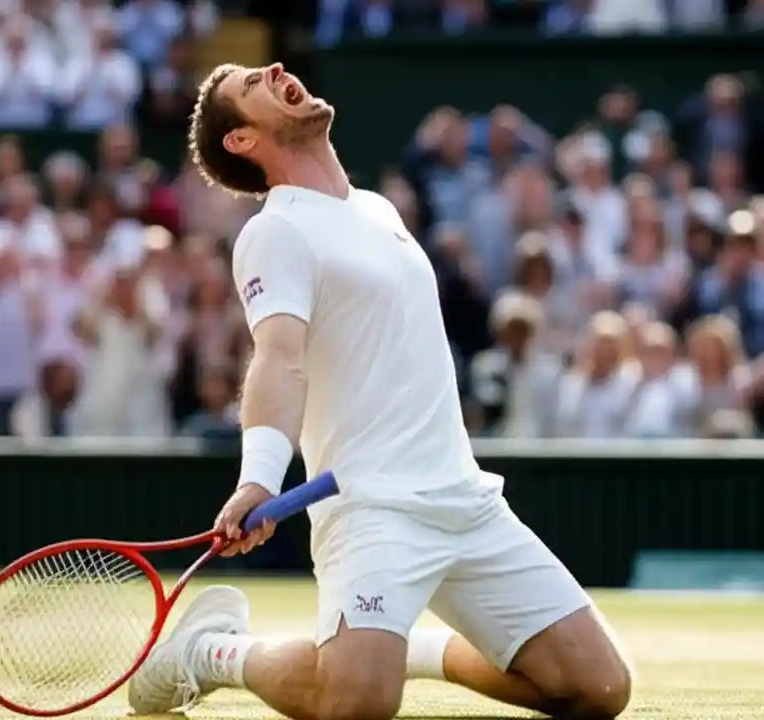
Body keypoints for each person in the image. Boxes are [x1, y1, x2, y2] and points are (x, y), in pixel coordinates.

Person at [127, 62, 631, 720]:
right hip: (371, 508)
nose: (277, 70)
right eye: (253, 84)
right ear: (243, 141)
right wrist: (260, 477)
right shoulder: (273, 231)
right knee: (359, 702)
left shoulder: (377, 210)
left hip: (463, 499)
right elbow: (279, 360)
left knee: (597, 690)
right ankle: (212, 652)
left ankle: (406, 648)